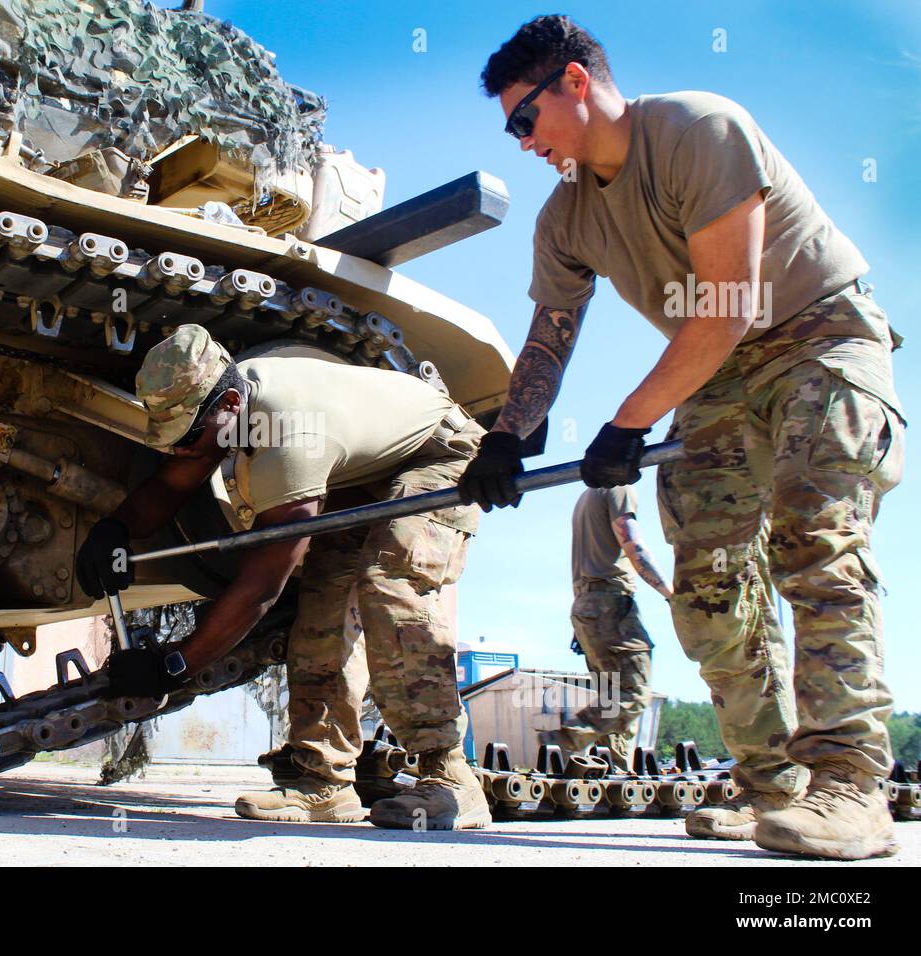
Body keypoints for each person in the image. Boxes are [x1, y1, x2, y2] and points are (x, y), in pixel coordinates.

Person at [463, 15, 905, 859]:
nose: (522, 143)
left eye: (525, 119)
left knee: (817, 547)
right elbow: (550, 334)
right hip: (718, 378)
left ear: (576, 83)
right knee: (705, 596)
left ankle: (850, 788)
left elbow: (726, 308)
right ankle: (772, 785)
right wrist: (507, 437)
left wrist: (627, 423)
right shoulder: (563, 219)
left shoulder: (699, 129)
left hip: (818, 336)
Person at [75, 325, 492, 830]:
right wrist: (116, 527)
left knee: (389, 582)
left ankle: (450, 778)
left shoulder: (289, 440)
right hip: (363, 474)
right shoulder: (228, 407)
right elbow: (173, 483)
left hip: (439, 454)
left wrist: (173, 665)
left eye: (187, 436)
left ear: (230, 402)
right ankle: (322, 783)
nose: (182, 450)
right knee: (322, 609)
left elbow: (261, 588)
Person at [559, 485, 671, 771]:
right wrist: (670, 593)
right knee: (633, 691)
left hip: (588, 606)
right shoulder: (618, 487)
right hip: (610, 602)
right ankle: (567, 738)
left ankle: (616, 768)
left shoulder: (587, 496)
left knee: (611, 695)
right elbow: (633, 544)